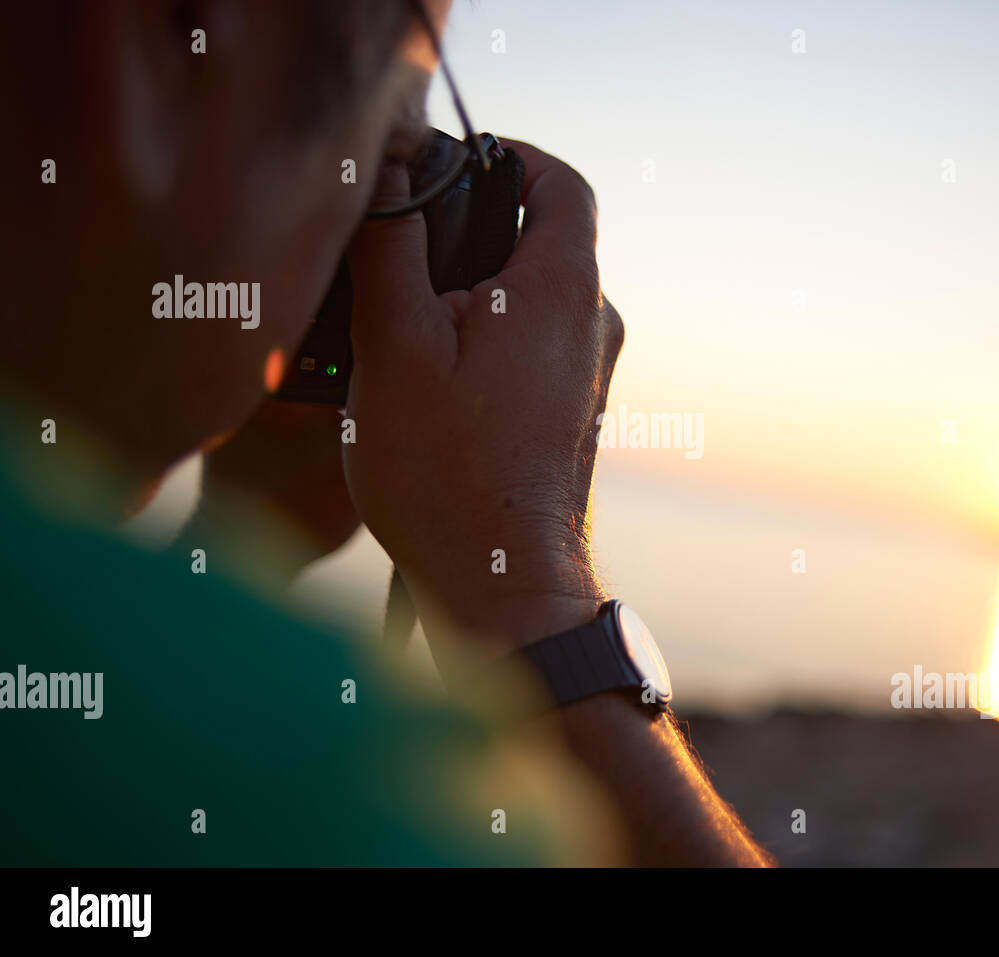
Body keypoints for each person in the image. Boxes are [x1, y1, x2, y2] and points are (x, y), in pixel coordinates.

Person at [0, 0, 771, 867]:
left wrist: (246, 534)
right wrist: (533, 595)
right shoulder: (328, 782)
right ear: (155, 55)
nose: (358, 239)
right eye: (389, 155)